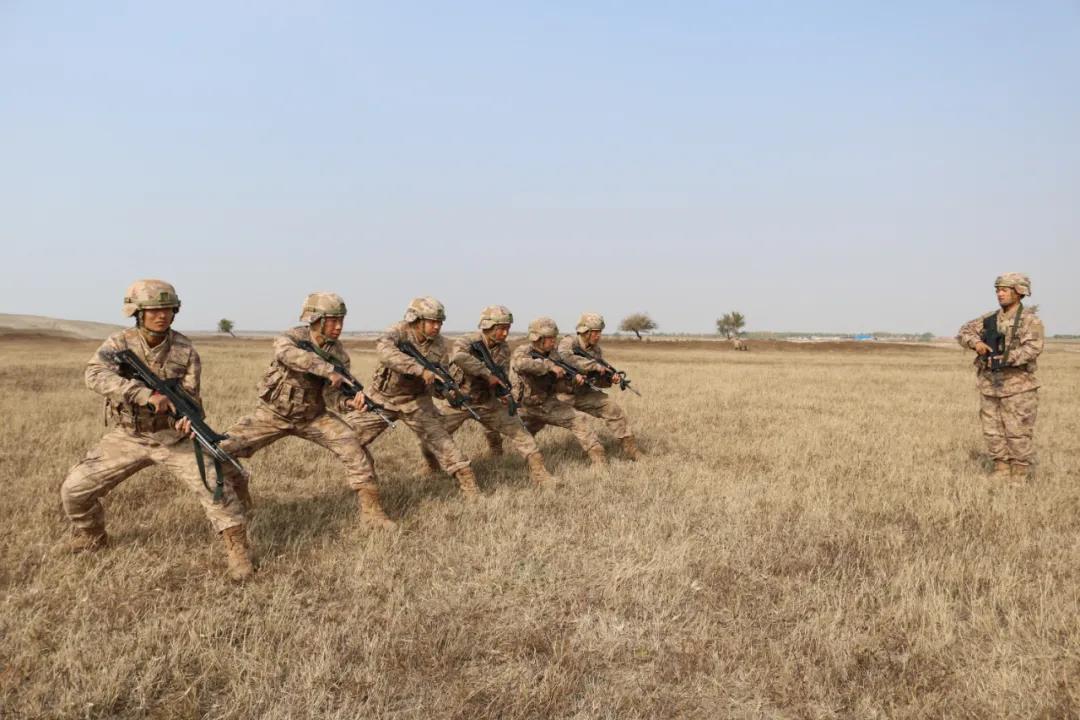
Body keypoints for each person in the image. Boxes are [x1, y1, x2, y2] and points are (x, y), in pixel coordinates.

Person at [61, 280, 254, 581]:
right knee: (74, 490)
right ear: (137, 312)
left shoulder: (185, 350)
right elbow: (94, 374)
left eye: (168, 309)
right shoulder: (119, 343)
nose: (161, 315)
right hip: (130, 435)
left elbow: (190, 397)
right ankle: (92, 536)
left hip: (173, 438)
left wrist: (185, 419)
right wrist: (143, 394)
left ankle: (237, 550)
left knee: (215, 487)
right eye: (153, 310)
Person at [219, 292, 396, 529]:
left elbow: (332, 396)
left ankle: (372, 514)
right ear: (315, 319)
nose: (339, 326)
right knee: (221, 449)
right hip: (273, 414)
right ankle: (241, 496)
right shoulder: (293, 337)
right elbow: (286, 354)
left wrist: (350, 403)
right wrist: (327, 370)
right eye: (332, 320)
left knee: (354, 447)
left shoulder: (339, 355)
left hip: (314, 417)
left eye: (341, 320)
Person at [346, 297, 481, 498]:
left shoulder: (440, 344)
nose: (437, 327)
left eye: (440, 322)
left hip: (417, 402)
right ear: (416, 320)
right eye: (432, 322)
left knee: (444, 443)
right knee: (348, 438)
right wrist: (420, 370)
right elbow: (386, 353)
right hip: (382, 399)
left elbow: (441, 375)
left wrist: (446, 390)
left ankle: (471, 490)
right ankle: (367, 485)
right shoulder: (398, 332)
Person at [416, 305, 557, 488]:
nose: (505, 333)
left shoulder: (504, 349)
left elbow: (501, 374)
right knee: (429, 438)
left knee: (522, 435)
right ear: (488, 326)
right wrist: (486, 374)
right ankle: (431, 466)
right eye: (501, 328)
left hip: (488, 402)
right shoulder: (467, 341)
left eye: (508, 328)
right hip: (459, 401)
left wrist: (503, 392)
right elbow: (459, 357)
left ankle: (541, 474)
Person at [956, 273, 1044, 481]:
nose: (999, 294)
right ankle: (1001, 468)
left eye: (1004, 290)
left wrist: (1005, 358)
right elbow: (964, 332)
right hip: (990, 385)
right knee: (992, 430)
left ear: (1019, 292)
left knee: (1018, 431)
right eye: (997, 290)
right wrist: (976, 343)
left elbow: (1033, 348)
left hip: (1018, 386)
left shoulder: (1030, 320)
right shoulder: (990, 319)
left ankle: (1020, 473)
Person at [510, 317, 607, 466]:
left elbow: (561, 386)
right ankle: (509, 458)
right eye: (550, 338)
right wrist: (549, 366)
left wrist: (573, 381)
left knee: (579, 420)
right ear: (538, 339)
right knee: (520, 434)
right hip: (522, 406)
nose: (554, 342)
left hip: (547, 404)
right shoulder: (523, 351)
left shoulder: (555, 355)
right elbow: (521, 364)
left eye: (554, 338)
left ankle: (600, 461)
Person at [557, 312, 640, 460]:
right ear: (585, 331)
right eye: (595, 332)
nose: (598, 336)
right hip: (560, 394)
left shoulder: (595, 350)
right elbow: (567, 358)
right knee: (533, 420)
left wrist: (609, 378)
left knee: (612, 408)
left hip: (583, 394)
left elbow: (596, 380)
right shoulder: (568, 342)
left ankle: (632, 450)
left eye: (600, 332)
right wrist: (594, 365)